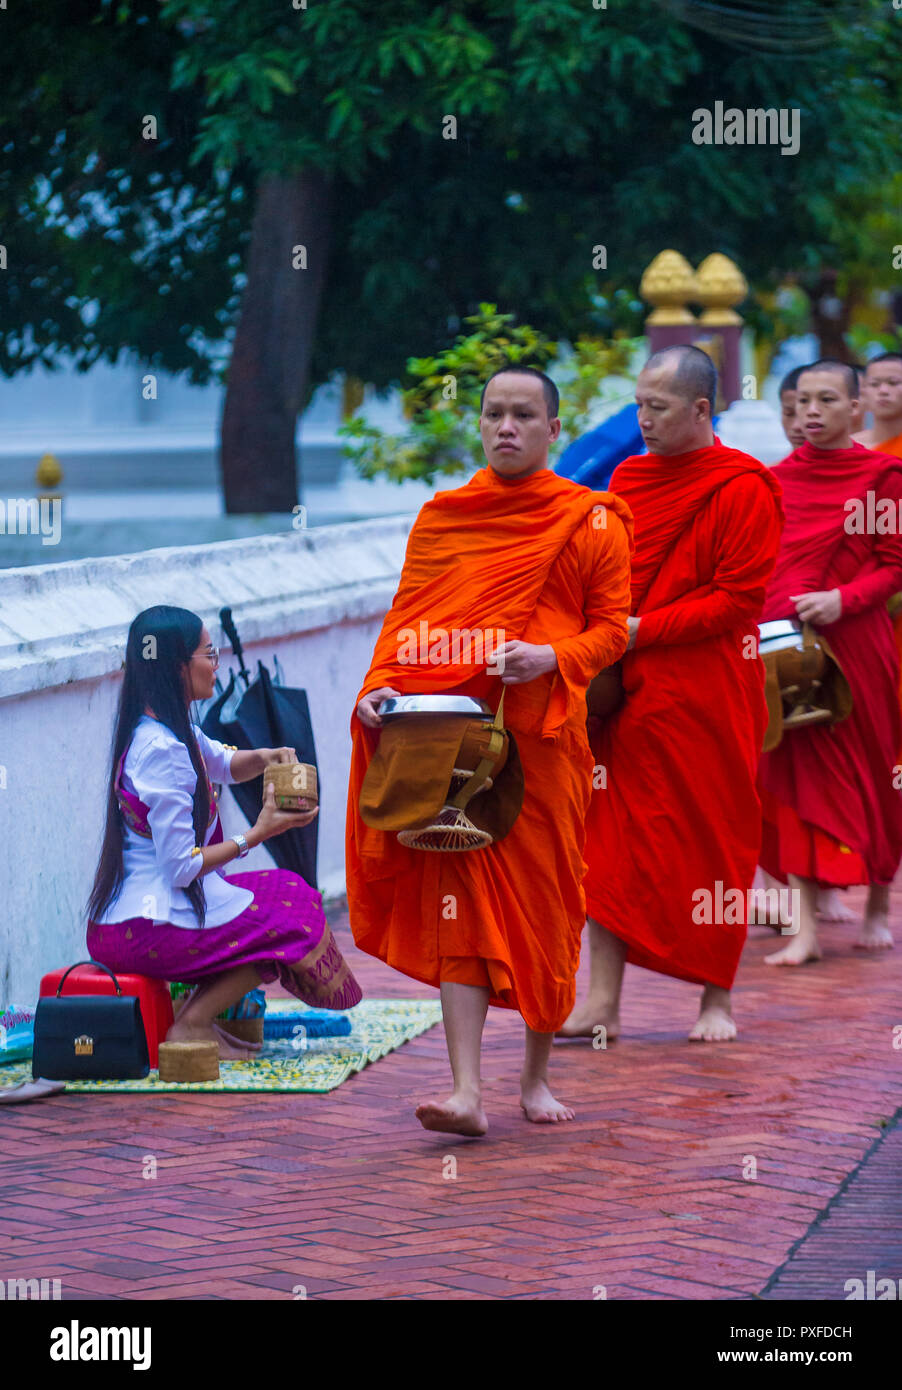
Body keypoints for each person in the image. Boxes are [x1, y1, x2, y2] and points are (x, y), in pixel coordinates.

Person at [346, 366, 633, 1136]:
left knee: (548, 906)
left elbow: (612, 628)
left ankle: (534, 1079)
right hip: (455, 747)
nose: (506, 427)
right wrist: (379, 686)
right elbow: (407, 623)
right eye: (493, 415)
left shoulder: (593, 519)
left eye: (522, 416)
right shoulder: (445, 518)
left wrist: (549, 658)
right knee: (461, 915)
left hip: (544, 746)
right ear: (479, 424)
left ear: (552, 431)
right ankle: (465, 1090)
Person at [558, 345, 783, 1044]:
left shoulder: (741, 485)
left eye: (656, 408)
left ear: (701, 410)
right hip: (627, 690)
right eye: (639, 405)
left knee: (713, 836)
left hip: (707, 686)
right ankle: (602, 1001)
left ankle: (716, 998)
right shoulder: (629, 474)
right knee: (610, 840)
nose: (642, 420)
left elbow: (737, 600)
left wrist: (639, 630)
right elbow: (608, 568)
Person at [87, 606, 361, 1061]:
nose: (217, 665)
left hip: (139, 920)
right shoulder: (161, 751)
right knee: (286, 921)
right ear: (178, 666)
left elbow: (220, 761)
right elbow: (182, 868)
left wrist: (267, 757)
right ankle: (191, 1025)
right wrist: (257, 834)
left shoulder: (163, 728)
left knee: (289, 891)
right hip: (144, 928)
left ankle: (198, 1016)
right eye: (209, 654)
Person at [758, 360, 902, 963]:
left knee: (877, 766)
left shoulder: (884, 474)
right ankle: (808, 930)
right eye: (802, 402)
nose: (811, 412)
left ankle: (877, 900)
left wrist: (842, 599)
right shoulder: (774, 479)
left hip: (860, 641)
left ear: (856, 406)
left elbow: (895, 563)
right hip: (788, 645)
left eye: (826, 400)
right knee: (795, 774)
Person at [854, 352, 902, 453]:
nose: (883, 391)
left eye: (893, 383)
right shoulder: (850, 447)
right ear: (863, 391)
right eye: (874, 384)